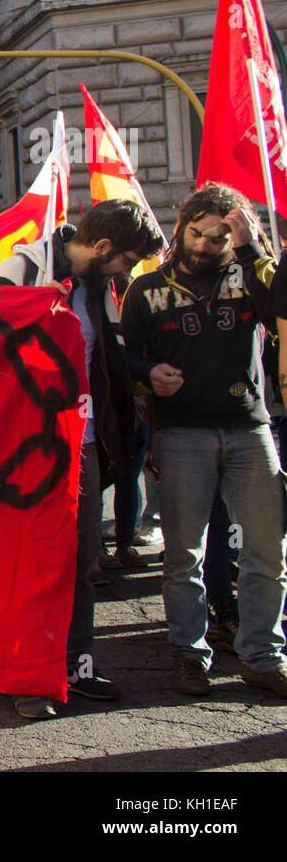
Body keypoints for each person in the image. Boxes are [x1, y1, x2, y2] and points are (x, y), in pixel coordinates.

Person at [0, 198, 165, 718]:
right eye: (126, 262)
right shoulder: (21, 270)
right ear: (104, 247)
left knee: (82, 562)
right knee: (32, 561)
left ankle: (74, 667)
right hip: (27, 446)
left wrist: (141, 382)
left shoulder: (101, 288)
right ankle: (24, 674)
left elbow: (109, 359)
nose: (128, 273)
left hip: (84, 445)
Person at [121, 183, 287, 699]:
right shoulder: (145, 288)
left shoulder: (249, 272)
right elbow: (123, 361)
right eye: (197, 233)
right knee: (183, 555)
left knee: (267, 551)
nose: (204, 245)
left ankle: (262, 654)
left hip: (249, 427)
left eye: (217, 237)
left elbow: (279, 308)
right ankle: (190, 655)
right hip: (181, 433)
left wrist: (249, 246)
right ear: (181, 227)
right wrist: (149, 372)